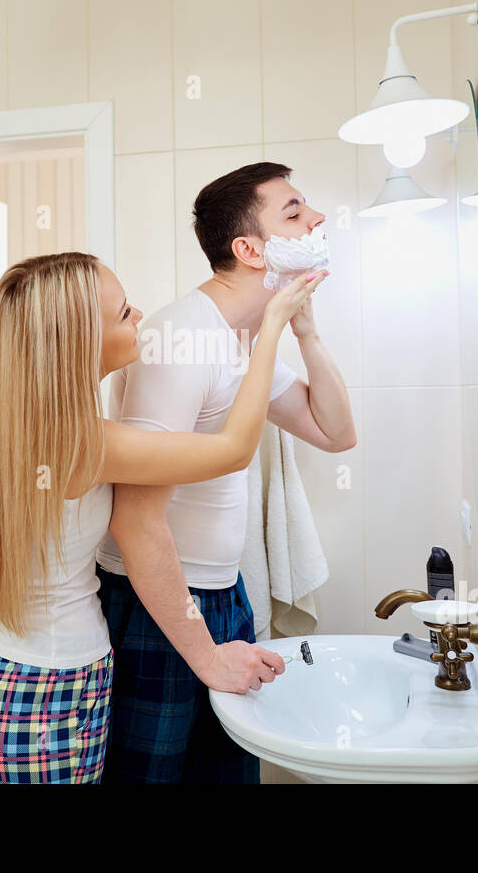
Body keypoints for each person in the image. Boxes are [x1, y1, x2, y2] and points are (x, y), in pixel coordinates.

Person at [0, 250, 326, 783]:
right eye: (123, 313)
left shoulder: (7, 420)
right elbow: (236, 449)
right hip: (48, 694)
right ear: (79, 340)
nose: (140, 317)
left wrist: (28, 584)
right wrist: (270, 334)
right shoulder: (89, 443)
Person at [96, 162, 356, 783]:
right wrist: (204, 653)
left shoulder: (247, 338)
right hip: (156, 605)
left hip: (223, 595)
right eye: (295, 212)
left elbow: (335, 433)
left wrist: (307, 332)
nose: (318, 218)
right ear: (249, 249)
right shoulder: (182, 338)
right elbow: (136, 521)